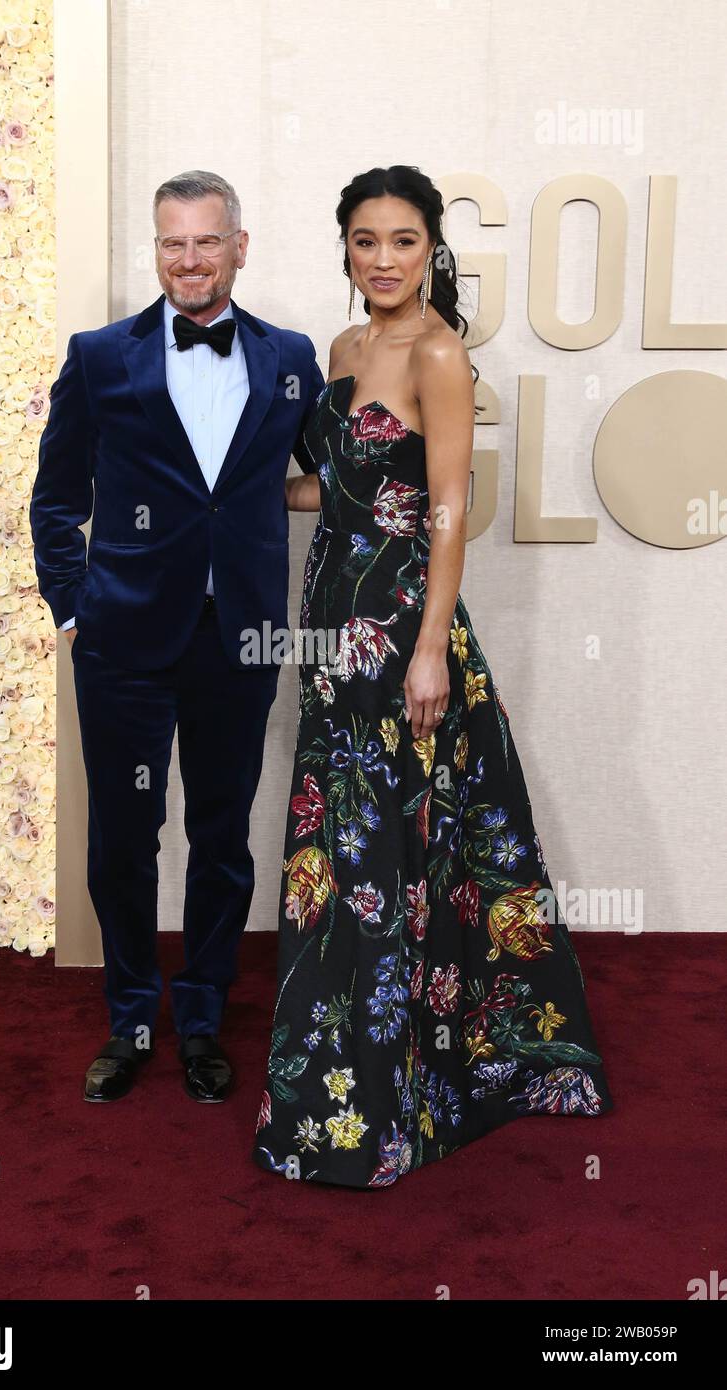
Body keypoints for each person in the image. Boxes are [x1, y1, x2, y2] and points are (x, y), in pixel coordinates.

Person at [253, 165, 614, 1187]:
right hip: (330, 632)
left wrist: (426, 647)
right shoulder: (343, 348)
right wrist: (215, 492)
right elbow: (333, 490)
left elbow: (446, 507)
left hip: (401, 631)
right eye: (364, 240)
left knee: (395, 857)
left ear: (430, 250)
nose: (381, 259)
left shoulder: (437, 353)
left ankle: (393, 1097)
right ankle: (337, 1071)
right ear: (345, 246)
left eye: (402, 241)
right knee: (343, 851)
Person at [30, 170, 323, 1104]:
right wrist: (74, 609)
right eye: (172, 244)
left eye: (206, 242)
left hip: (239, 638)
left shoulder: (290, 355)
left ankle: (200, 1016)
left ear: (241, 245)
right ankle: (129, 1017)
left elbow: (328, 474)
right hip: (123, 640)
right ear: (155, 250)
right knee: (123, 839)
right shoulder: (100, 357)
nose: (189, 260)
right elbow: (55, 498)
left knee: (222, 835)